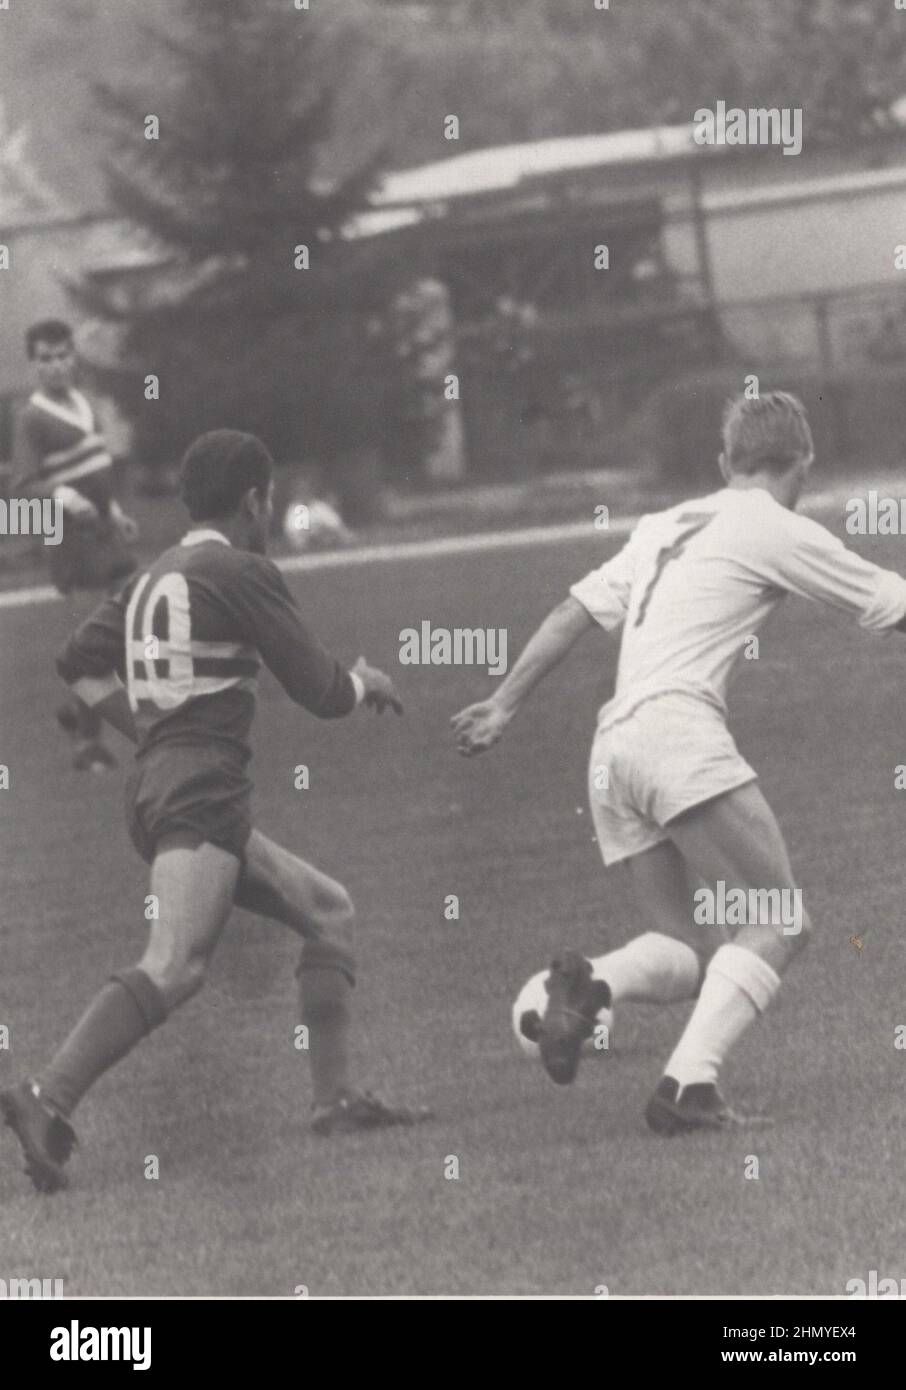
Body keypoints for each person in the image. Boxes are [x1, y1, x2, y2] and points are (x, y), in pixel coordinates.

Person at [452, 391, 906, 1133]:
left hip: (613, 750)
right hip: (676, 734)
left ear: (726, 463)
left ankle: (586, 985)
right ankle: (687, 1088)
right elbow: (891, 603)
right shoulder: (776, 526)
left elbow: (572, 611)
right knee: (780, 918)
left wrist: (503, 704)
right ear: (807, 463)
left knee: (688, 951)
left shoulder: (665, 523)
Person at [1, 429, 430, 1192]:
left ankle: (334, 1100)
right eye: (267, 500)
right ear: (255, 501)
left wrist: (151, 730)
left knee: (328, 910)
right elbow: (321, 692)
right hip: (198, 789)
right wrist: (368, 681)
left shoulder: (148, 577)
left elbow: (76, 663)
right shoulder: (241, 570)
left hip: (170, 784)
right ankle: (46, 1096)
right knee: (175, 963)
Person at [14, 318, 138, 770]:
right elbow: (23, 488)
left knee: (125, 627)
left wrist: (117, 514)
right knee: (99, 643)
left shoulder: (85, 404)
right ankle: (87, 743)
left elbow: (96, 469)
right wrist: (62, 498)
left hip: (103, 534)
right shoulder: (31, 417)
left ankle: (77, 711)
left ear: (74, 358)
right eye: (45, 359)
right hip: (70, 540)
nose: (56, 366)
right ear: (33, 365)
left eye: (64, 355)